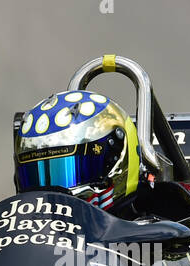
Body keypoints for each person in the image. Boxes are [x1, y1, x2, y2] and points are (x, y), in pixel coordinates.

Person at [13, 90, 146, 214]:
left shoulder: (156, 230)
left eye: (65, 173)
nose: (49, 201)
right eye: (34, 178)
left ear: (114, 160)